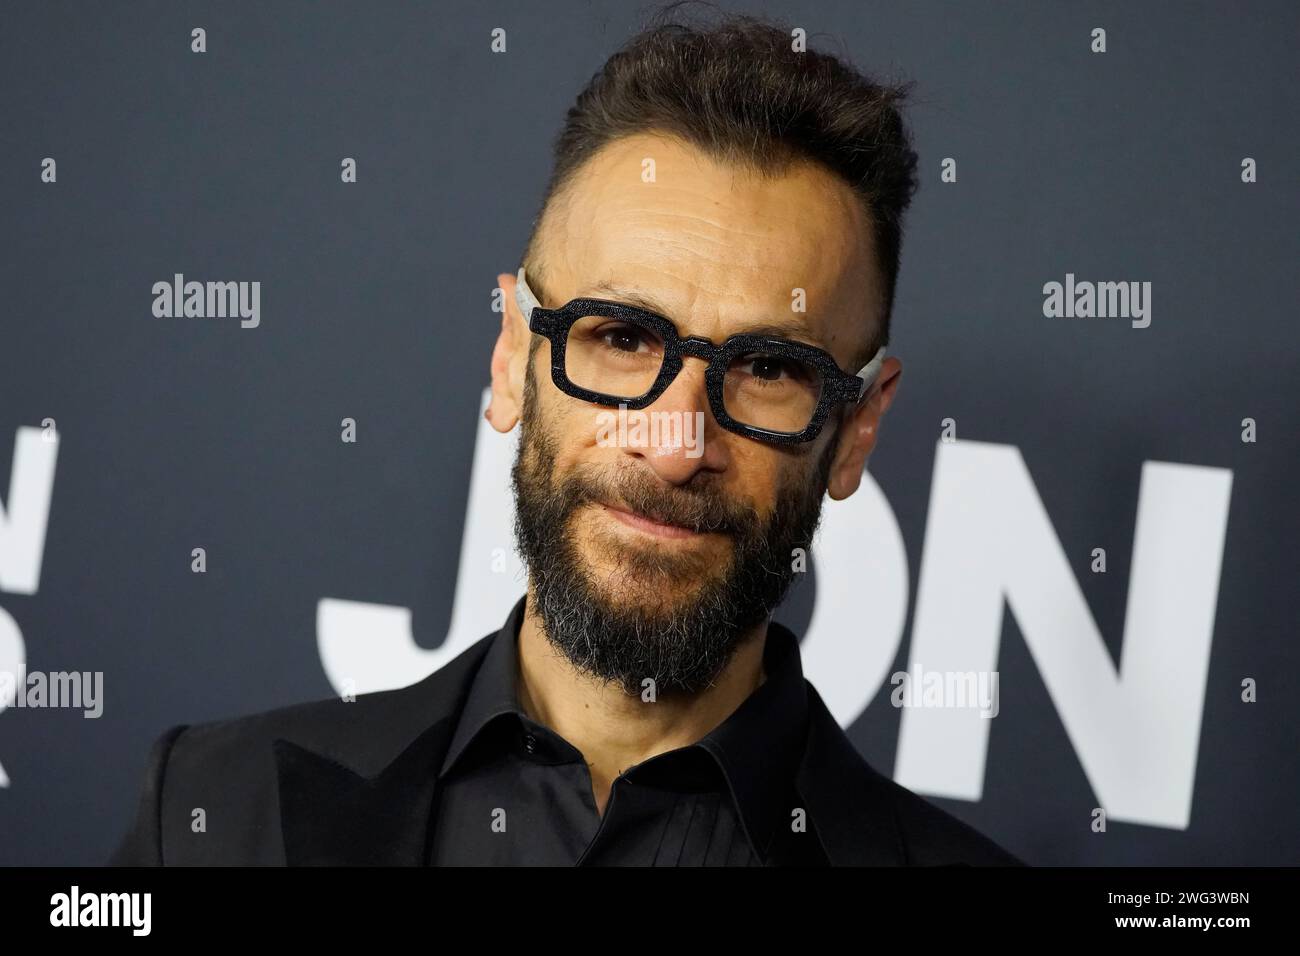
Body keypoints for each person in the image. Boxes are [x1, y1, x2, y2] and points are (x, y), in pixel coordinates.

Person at [109, 11, 1020, 867]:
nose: (674, 445)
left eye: (770, 369)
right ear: (513, 356)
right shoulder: (212, 815)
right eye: (623, 339)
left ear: (857, 428)